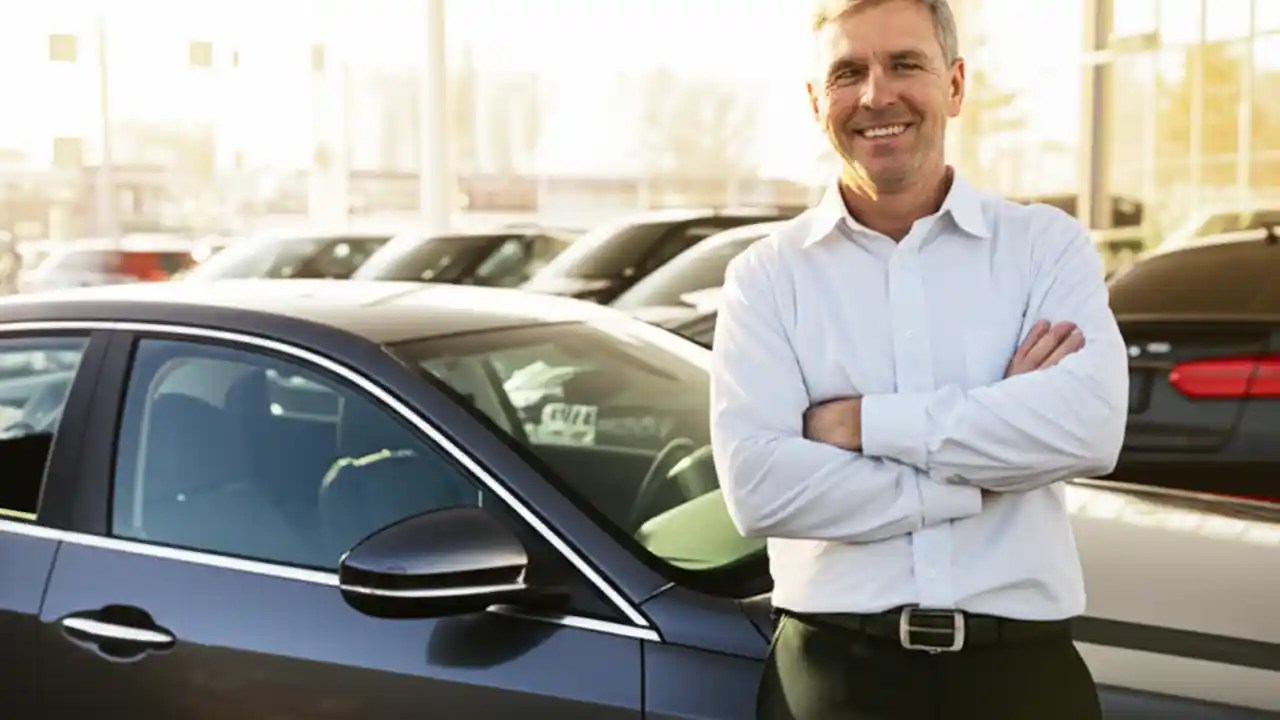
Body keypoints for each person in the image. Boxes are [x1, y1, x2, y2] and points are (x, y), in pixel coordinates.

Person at [708, 1, 1129, 718]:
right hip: (833, 679)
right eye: (848, 73)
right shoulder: (767, 278)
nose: (877, 95)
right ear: (817, 103)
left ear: (955, 85)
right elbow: (759, 487)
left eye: (905, 64)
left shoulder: (1042, 248)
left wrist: (861, 424)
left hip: (1022, 679)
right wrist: (986, 465)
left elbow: (1089, 428)